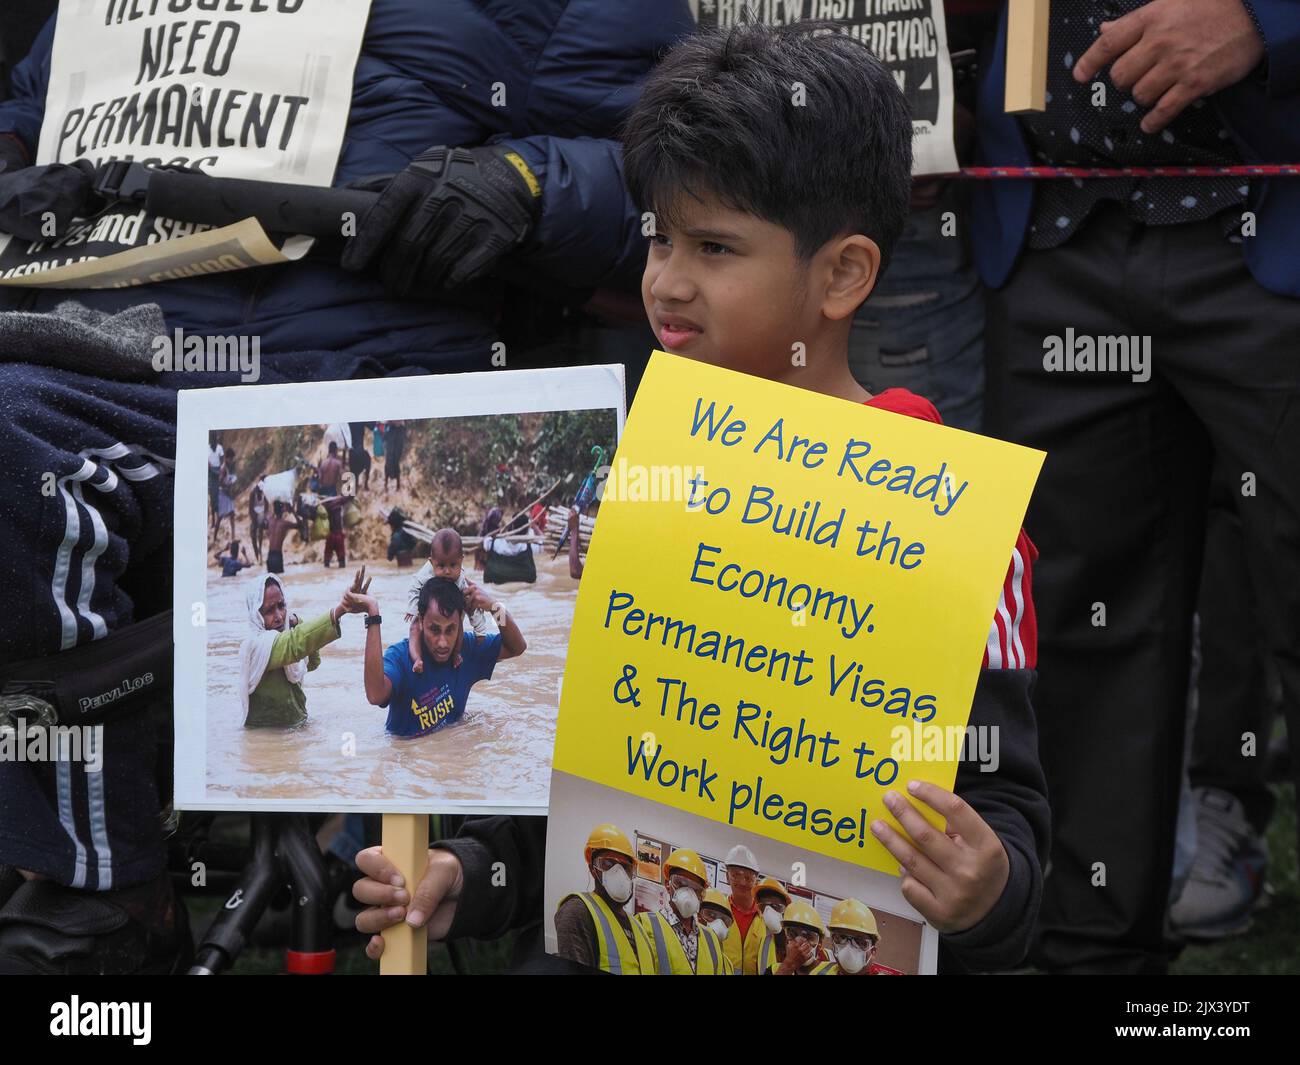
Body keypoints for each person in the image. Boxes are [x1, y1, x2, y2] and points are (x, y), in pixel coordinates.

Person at [353, 22, 1048, 975]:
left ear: (843, 273)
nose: (668, 283)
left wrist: (988, 890)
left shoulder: (954, 519)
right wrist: (467, 873)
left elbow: (1007, 823)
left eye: (716, 247)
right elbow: (576, 798)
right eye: (659, 239)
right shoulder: (626, 479)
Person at [975, 0, 1300, 974]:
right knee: (1076, 635)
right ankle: (1090, 964)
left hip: (1273, 221)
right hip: (1052, 226)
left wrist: (1265, 20)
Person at [353, 576, 525, 739]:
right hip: (407, 756)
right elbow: (375, 695)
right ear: (420, 621)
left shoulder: (467, 649)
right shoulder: (401, 657)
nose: (443, 643)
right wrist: (373, 615)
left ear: (460, 623)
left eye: (450, 630)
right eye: (434, 630)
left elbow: (517, 647)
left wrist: (495, 607)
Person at [240, 569, 367, 729]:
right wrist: (341, 609)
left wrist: (297, 621)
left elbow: (313, 662)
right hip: (269, 737)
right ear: (255, 615)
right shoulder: (256, 647)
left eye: (281, 606)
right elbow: (294, 645)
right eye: (269, 610)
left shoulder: (286, 635)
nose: (279, 616)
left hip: (297, 729)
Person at [553, 824, 658, 973]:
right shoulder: (578, 911)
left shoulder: (640, 929)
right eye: (608, 863)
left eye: (625, 867)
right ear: (593, 869)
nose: (618, 873)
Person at [406, 528, 494, 675]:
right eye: (441, 566)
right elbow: (414, 588)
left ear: (461, 561)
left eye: (453, 566)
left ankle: (456, 655)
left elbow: (472, 609)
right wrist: (412, 608)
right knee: (414, 627)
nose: (447, 571)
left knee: (458, 627)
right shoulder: (425, 573)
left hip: (455, 616)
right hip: (428, 611)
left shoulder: (462, 582)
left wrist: (482, 628)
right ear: (431, 562)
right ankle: (417, 659)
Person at [634, 848, 731, 975]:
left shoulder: (711, 939)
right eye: (680, 883)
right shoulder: (644, 924)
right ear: (668, 884)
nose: (688, 893)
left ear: (701, 894)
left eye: (695, 889)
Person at [719, 845, 767, 975]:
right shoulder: (717, 912)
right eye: (735, 875)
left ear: (756, 881)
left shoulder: (766, 919)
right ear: (727, 876)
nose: (742, 882)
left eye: (748, 877)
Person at [825, 898, 902, 976]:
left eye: (860, 942)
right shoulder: (821, 971)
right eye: (841, 938)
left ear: (873, 951)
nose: (848, 949)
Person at [770, 900, 835, 976]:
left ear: (819, 943)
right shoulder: (774, 970)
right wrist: (788, 966)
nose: (799, 943)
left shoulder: (832, 971)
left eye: (809, 936)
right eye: (792, 934)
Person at [753, 876, 792, 974]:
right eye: (763, 907)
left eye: (776, 907)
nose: (769, 911)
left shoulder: (793, 941)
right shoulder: (759, 938)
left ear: (785, 909)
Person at [318, 494, 351, 570]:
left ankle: (327, 571)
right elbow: (348, 497)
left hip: (330, 536)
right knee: (341, 558)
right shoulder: (338, 503)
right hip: (338, 535)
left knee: (327, 558)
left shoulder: (325, 507)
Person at [265, 500, 297, 576]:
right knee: (280, 581)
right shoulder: (284, 523)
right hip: (277, 556)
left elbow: (266, 520)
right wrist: (292, 511)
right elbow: (299, 524)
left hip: (269, 557)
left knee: (270, 581)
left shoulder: (270, 521)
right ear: (282, 511)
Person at [215, 448, 238, 544]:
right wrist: (228, 485)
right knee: (220, 516)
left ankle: (233, 537)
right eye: (231, 458)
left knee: (232, 514)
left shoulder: (226, 468)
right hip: (223, 494)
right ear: (227, 458)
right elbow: (220, 482)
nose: (232, 460)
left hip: (226, 493)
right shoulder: (223, 468)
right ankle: (215, 537)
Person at [383, 422, 405, 493]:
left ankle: (398, 485)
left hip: (398, 434)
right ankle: (386, 484)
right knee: (388, 460)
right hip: (391, 433)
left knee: (396, 461)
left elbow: (401, 422)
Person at [248, 483, 268, 564]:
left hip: (262, 514)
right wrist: (254, 519)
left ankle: (260, 550)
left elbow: (266, 507)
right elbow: (250, 509)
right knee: (253, 536)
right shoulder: (253, 494)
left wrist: (264, 517)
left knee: (260, 529)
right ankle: (256, 555)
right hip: (254, 515)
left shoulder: (264, 493)